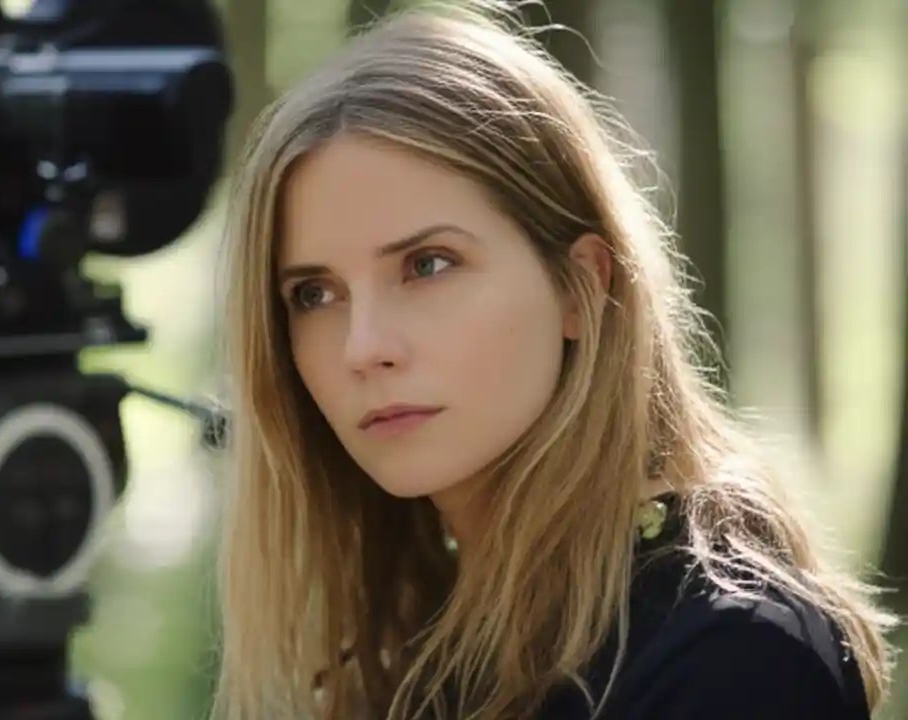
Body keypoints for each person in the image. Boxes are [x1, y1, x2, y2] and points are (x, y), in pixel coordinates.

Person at [210, 2, 898, 719]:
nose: (364, 347)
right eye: (315, 293)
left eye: (428, 264)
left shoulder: (732, 658)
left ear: (582, 285)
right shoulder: (418, 659)